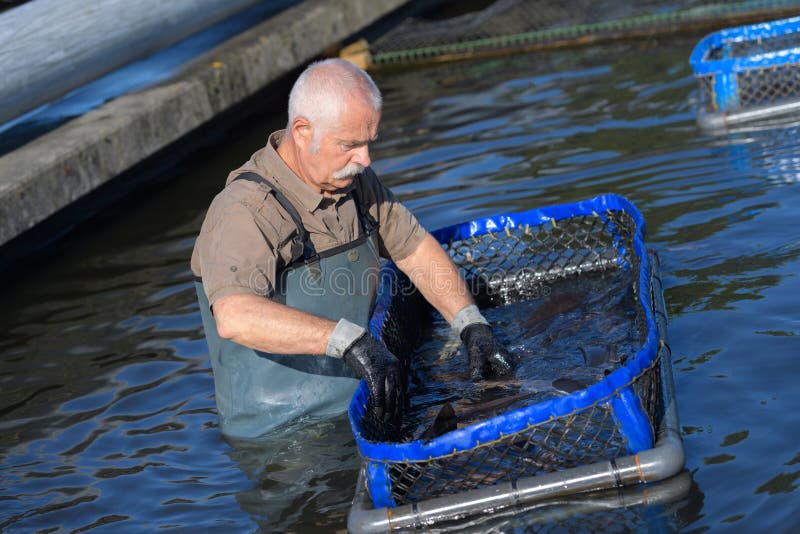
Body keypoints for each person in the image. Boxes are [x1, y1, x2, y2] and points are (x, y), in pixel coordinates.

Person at [191, 58, 512, 440]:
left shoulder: (353, 182)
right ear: (302, 131)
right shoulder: (244, 210)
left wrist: (470, 324)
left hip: (364, 405)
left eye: (368, 142)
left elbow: (415, 250)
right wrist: (352, 342)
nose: (365, 159)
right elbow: (236, 316)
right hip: (282, 436)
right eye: (349, 145)